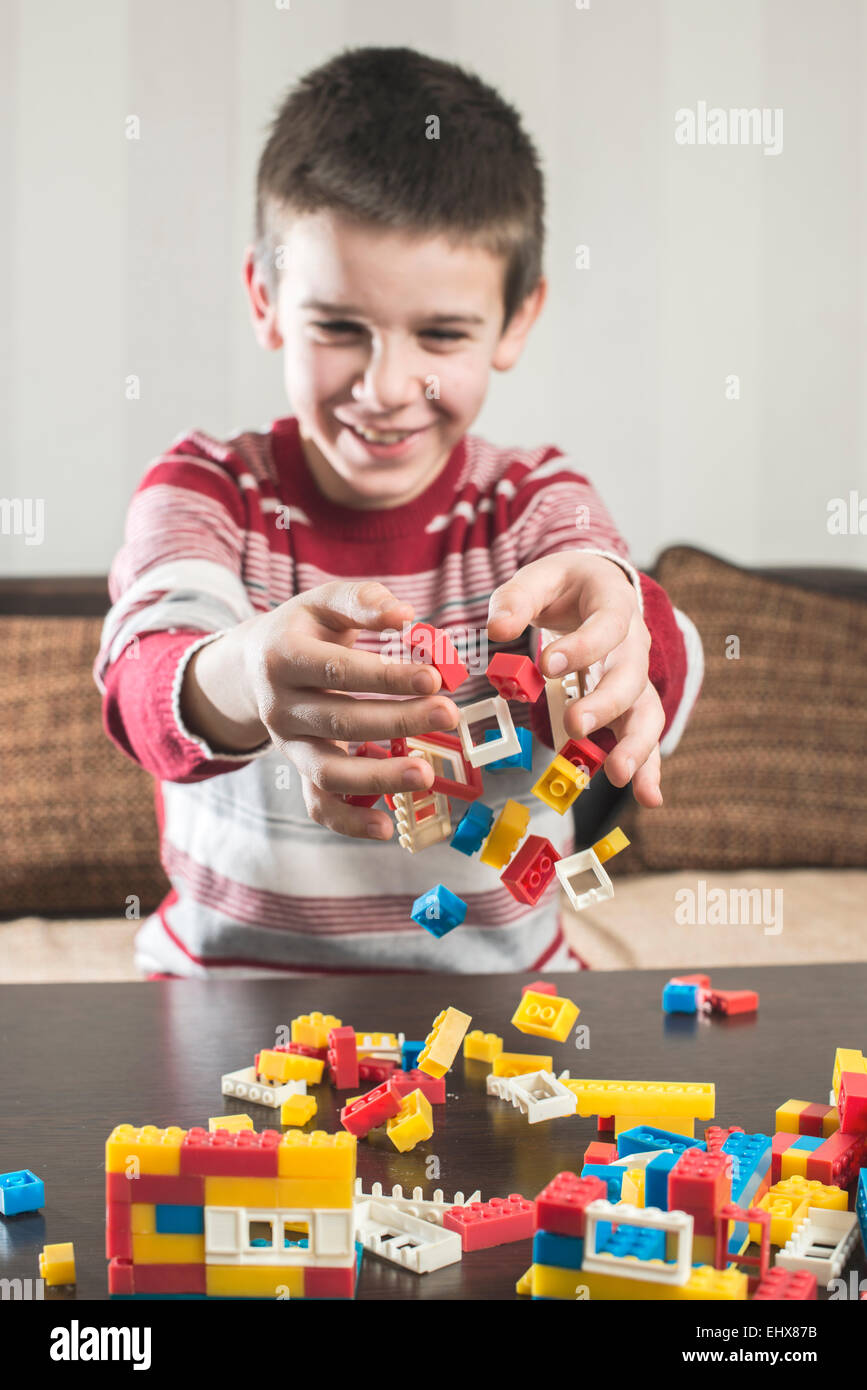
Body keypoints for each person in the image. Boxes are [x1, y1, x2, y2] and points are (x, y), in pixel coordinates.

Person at [94, 47, 702, 978]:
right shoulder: (204, 488)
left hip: (506, 1008)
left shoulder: (534, 499)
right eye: (339, 327)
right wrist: (248, 674)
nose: (384, 389)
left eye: (441, 333)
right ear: (265, 301)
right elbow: (146, 687)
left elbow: (633, 624)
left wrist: (627, 643)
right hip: (222, 1002)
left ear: (515, 321)